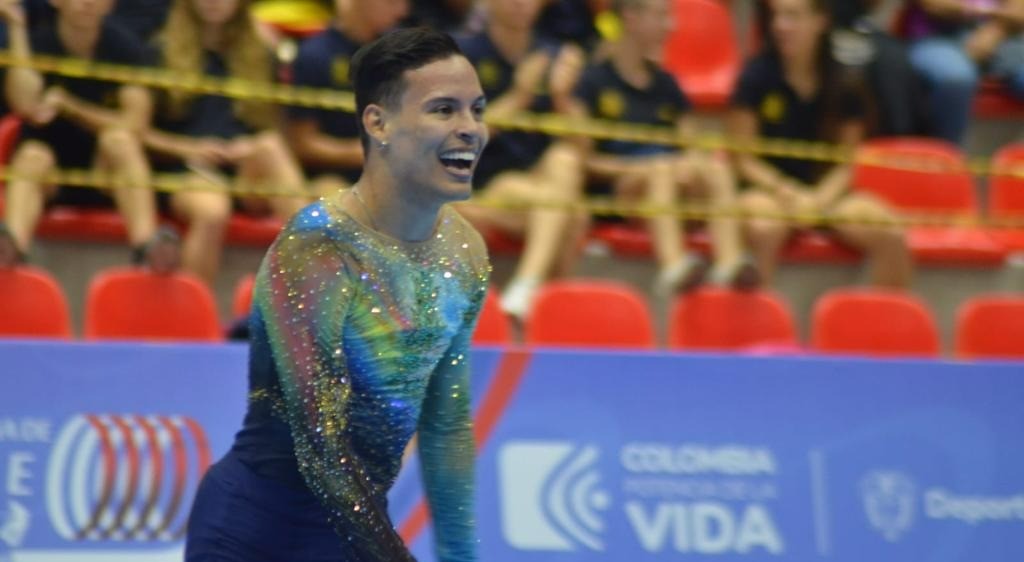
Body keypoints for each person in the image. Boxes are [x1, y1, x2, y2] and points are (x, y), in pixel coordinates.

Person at [185, 27, 488, 561]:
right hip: (252, 531)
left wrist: (461, 555)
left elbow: (445, 424)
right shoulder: (319, 247)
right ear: (379, 123)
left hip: (350, 531)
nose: (470, 130)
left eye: (476, 110)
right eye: (444, 110)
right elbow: (319, 443)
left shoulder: (466, 255)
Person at [570, 0, 758, 295]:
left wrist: (690, 165)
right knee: (661, 170)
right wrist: (646, 168)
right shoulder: (592, 81)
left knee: (715, 168)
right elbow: (584, 161)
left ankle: (731, 264)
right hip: (621, 191)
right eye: (660, 16)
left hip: (673, 185)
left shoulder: (667, 84)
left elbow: (691, 145)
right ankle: (674, 267)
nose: (670, 26)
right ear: (631, 17)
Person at [731, 0, 912, 288]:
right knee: (764, 228)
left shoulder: (845, 81)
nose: (781, 26)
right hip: (768, 189)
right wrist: (787, 192)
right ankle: (760, 327)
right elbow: (742, 159)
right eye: (777, 16)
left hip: (826, 192)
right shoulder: (755, 77)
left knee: (890, 233)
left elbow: (847, 163)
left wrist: (818, 201)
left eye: (792, 16)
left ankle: (886, 324)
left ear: (820, 22)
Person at [143, 0, 310, 284]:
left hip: (241, 166)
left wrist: (244, 148)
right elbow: (139, 132)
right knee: (212, 209)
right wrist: (188, 149)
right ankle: (193, 318)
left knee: (269, 146)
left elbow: (276, 130)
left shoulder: (260, 52)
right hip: (185, 168)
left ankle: (317, 268)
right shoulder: (158, 50)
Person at [452, 0, 588, 319]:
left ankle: (528, 286)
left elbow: (584, 149)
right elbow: (453, 140)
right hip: (484, 180)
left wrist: (563, 99)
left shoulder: (555, 55)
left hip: (539, 178)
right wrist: (519, 97)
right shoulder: (460, 55)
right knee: (574, 215)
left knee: (565, 160)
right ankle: (546, 309)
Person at [0, 0, 161, 269]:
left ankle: (148, 251)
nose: (86, 3)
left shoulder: (125, 48)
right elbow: (26, 103)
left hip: (101, 169)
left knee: (120, 141)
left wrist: (72, 107)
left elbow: (136, 124)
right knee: (32, 156)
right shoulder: (38, 41)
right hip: (49, 167)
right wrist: (16, 28)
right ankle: (11, 253)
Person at [286, 0, 409, 194]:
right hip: (334, 177)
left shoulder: (403, 55)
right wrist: (365, 152)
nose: (402, 11)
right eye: (391, 2)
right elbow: (303, 143)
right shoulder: (315, 55)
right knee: (336, 202)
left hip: (398, 175)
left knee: (460, 208)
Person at [903, 0, 1024, 144]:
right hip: (935, 38)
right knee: (956, 78)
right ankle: (948, 157)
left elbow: (1018, 9)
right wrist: (993, 14)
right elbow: (936, 6)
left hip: (1003, 36)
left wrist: (996, 30)